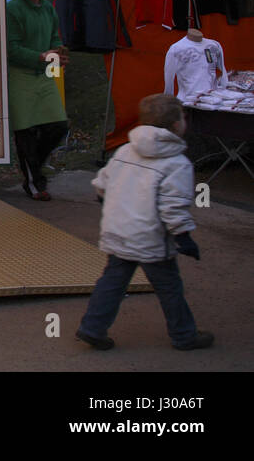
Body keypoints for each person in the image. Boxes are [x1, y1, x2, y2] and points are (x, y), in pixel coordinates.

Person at [76, 93, 213, 351]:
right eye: (183, 117)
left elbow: (102, 184)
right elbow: (173, 206)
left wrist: (114, 207)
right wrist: (183, 237)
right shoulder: (177, 163)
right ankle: (184, 335)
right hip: (151, 239)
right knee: (169, 286)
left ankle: (92, 327)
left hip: (118, 231)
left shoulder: (125, 149)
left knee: (112, 281)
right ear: (176, 126)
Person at [5, 0, 68, 201]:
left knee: (59, 125)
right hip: (20, 75)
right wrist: (39, 56)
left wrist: (57, 58)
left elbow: (54, 38)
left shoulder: (48, 9)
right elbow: (11, 48)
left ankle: (33, 167)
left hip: (44, 75)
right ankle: (34, 183)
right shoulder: (13, 10)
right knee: (26, 132)